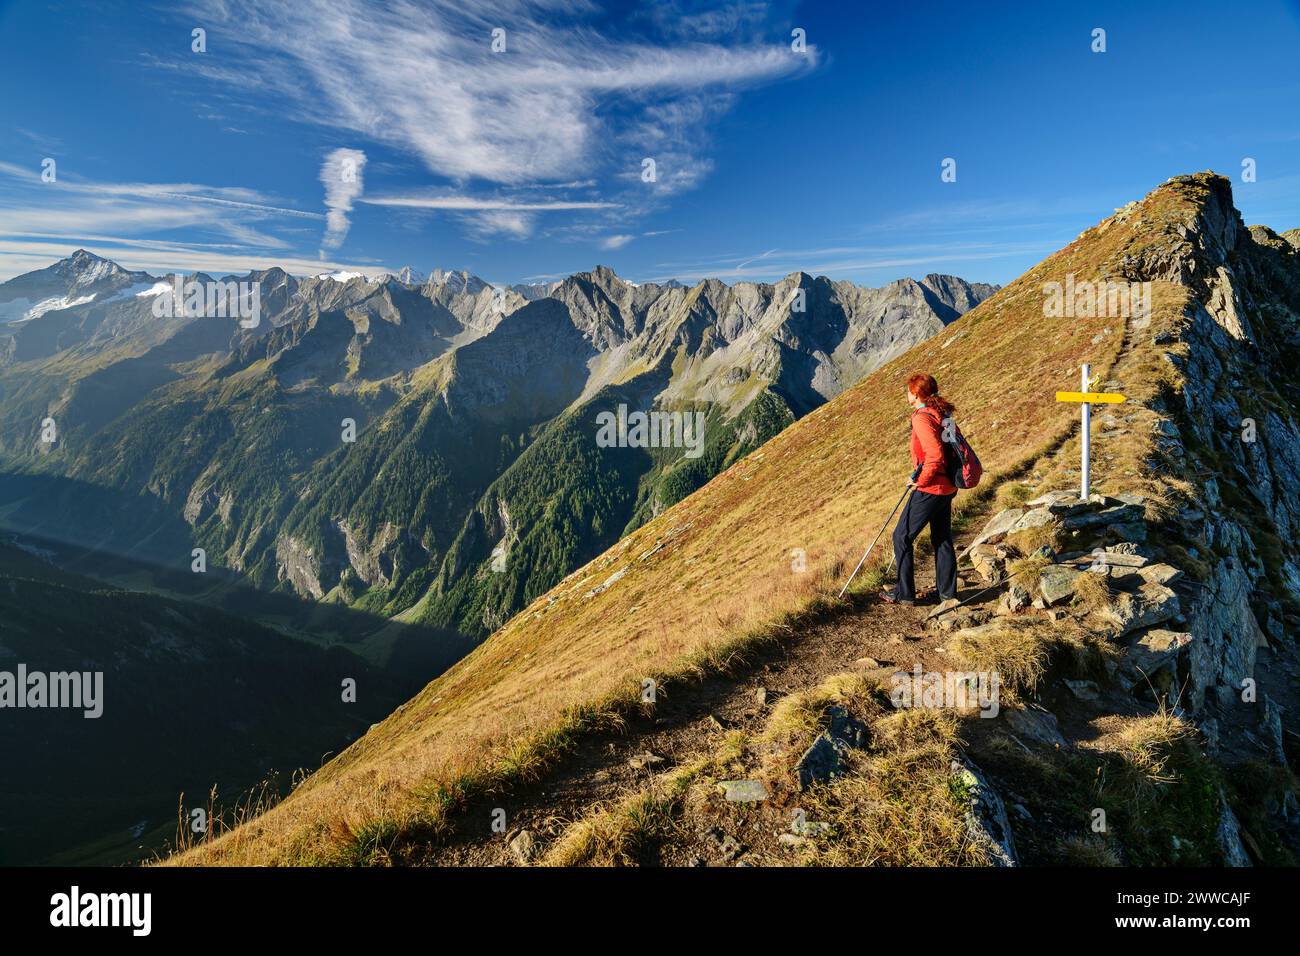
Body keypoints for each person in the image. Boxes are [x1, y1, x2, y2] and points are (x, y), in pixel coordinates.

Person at [881, 373, 958, 607]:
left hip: (931, 487)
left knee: (901, 536)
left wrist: (920, 481)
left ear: (915, 394)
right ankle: (947, 594)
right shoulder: (943, 415)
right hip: (948, 486)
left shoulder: (922, 418)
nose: (907, 394)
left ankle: (904, 593)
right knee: (942, 538)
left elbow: (934, 455)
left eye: (909, 391)